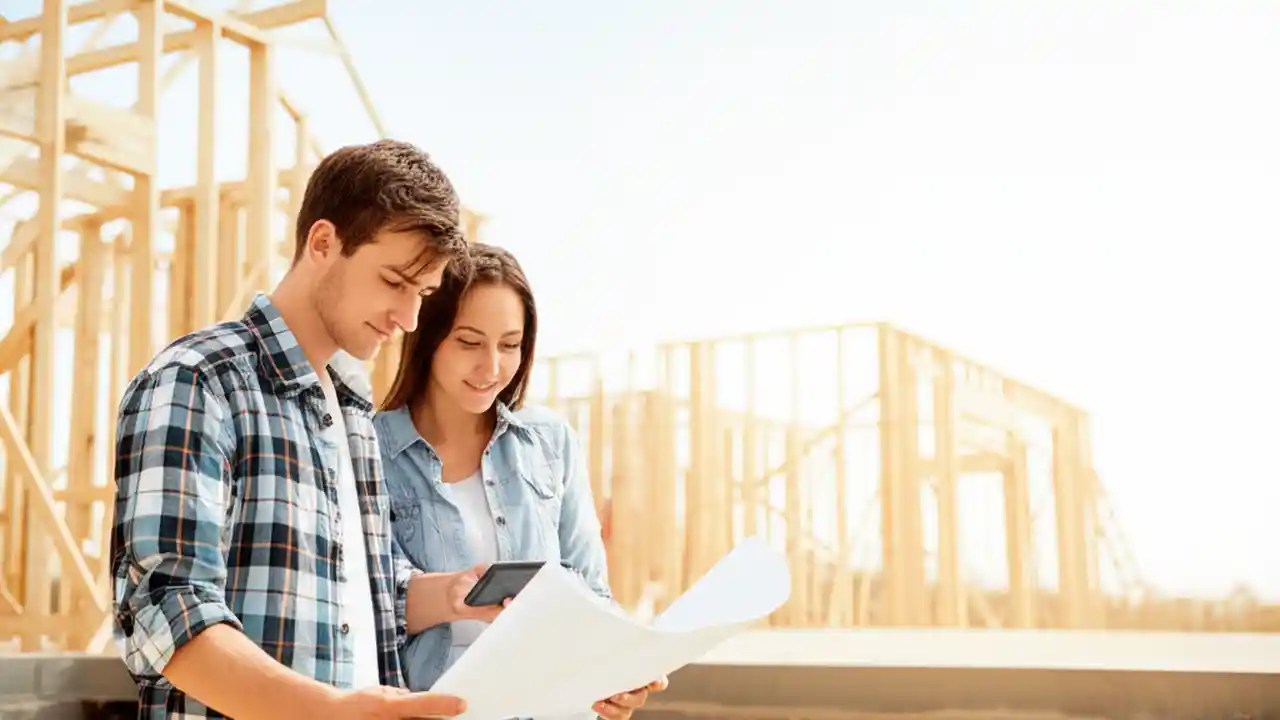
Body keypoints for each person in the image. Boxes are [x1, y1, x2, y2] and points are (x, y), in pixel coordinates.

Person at [111, 139, 474, 719]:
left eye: (421, 294)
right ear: (323, 242)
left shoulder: (354, 410)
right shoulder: (200, 381)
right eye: (393, 282)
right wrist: (332, 710)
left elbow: (355, 594)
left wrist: (459, 594)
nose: (407, 319)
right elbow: (166, 610)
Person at [375, 243, 668, 719]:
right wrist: (453, 595)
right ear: (428, 337)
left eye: (510, 345)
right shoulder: (368, 449)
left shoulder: (550, 442)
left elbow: (591, 592)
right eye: (469, 342)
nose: (492, 368)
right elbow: (364, 605)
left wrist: (619, 670)